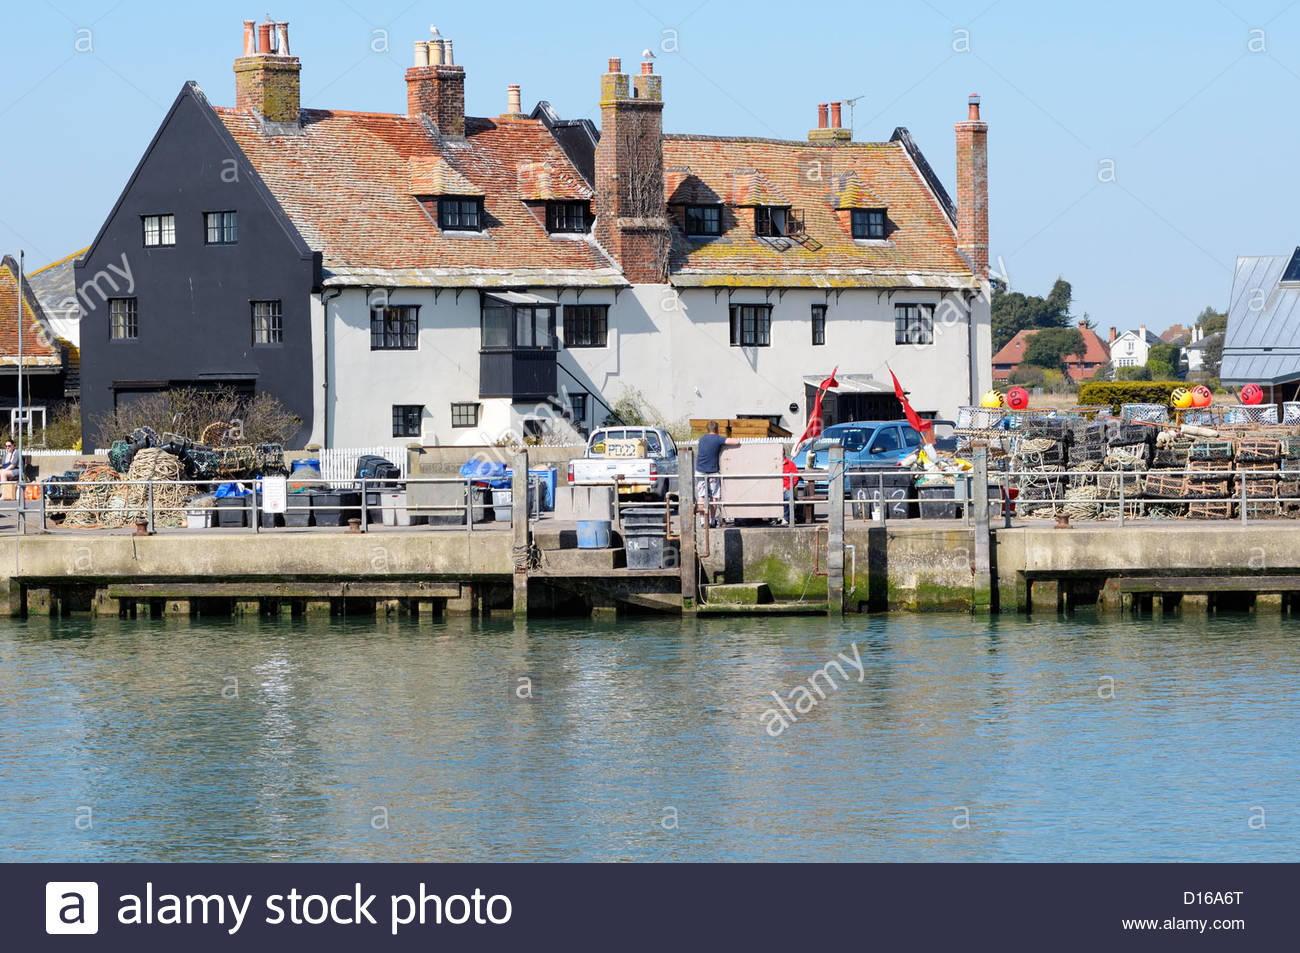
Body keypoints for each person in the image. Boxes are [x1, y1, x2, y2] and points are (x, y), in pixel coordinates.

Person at [695, 420, 739, 528]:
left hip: (700, 471)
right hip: (713, 471)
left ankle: (702, 520)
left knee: (701, 495)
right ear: (717, 429)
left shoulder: (702, 439)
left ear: (707, 429)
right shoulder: (718, 438)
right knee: (714, 497)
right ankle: (712, 520)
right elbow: (736, 442)